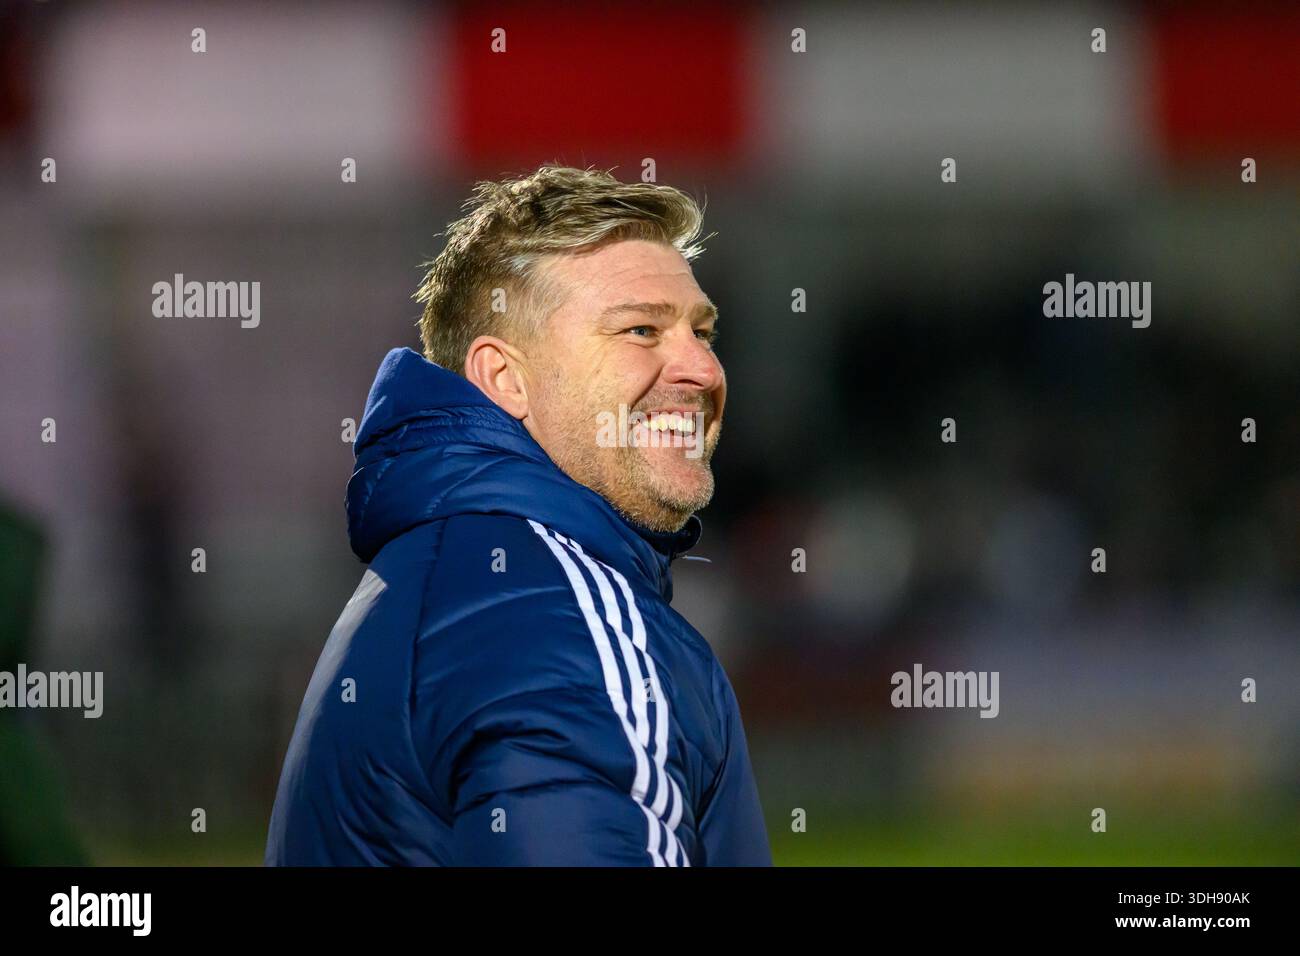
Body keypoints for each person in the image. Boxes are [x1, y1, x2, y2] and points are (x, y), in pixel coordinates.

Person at [265, 165, 771, 866]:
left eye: (702, 331)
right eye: (641, 331)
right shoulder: (555, 617)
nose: (703, 370)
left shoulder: (450, 573)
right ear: (505, 380)